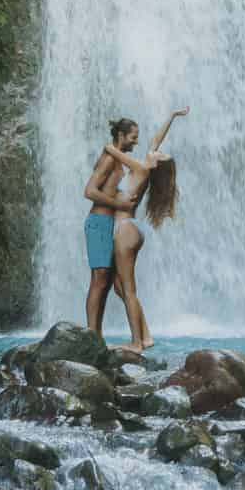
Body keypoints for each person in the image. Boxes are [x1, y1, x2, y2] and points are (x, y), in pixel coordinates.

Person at [98, 106, 187, 352]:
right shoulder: (147, 165)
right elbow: (157, 139)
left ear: (158, 165)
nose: (158, 151)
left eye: (161, 155)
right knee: (120, 286)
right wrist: (172, 116)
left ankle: (136, 343)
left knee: (128, 289)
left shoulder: (141, 168)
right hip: (131, 228)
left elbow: (113, 152)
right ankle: (146, 336)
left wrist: (111, 143)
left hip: (125, 229)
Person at [83, 117, 141, 335]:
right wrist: (119, 202)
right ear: (121, 136)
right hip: (98, 223)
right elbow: (89, 190)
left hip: (110, 223)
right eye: (133, 138)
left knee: (107, 282)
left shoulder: (119, 160)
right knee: (99, 279)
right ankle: (91, 335)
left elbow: (106, 190)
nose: (136, 143)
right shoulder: (109, 158)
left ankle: (97, 334)